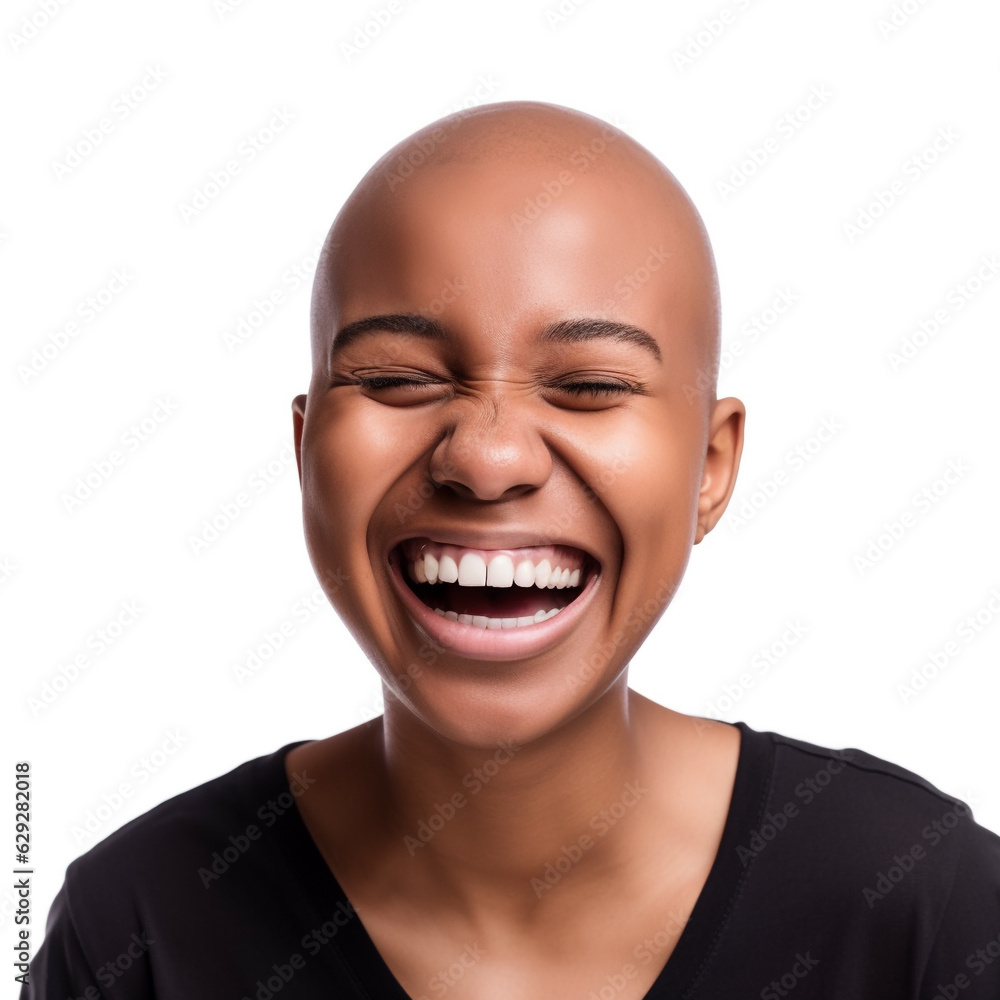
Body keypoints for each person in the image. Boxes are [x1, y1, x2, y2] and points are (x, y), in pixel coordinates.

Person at [22, 101, 1000, 999]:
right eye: (397, 379)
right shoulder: (138, 931)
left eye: (590, 387)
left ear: (710, 467)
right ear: (306, 450)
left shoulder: (921, 904)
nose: (486, 460)